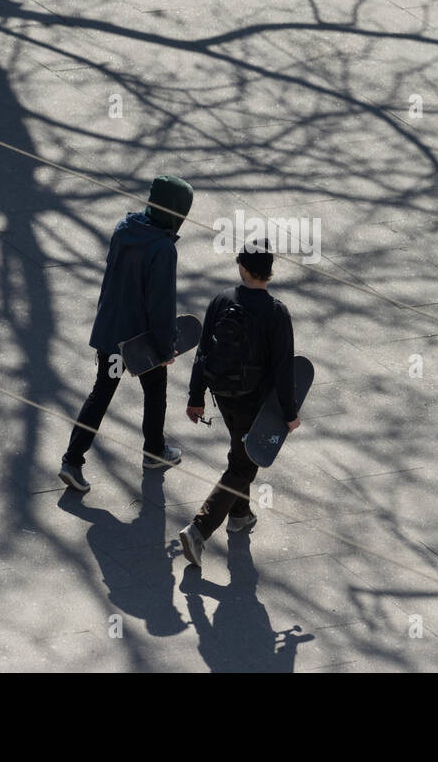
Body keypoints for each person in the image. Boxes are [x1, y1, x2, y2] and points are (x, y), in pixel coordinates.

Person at [58, 176, 193, 493]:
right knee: (156, 387)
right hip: (138, 340)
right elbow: (160, 305)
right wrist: (165, 348)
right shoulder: (162, 249)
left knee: (102, 391)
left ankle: (72, 460)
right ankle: (154, 452)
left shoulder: (125, 228)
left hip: (109, 330)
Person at [179, 240, 297, 568]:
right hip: (255, 404)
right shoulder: (276, 312)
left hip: (223, 396)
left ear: (243, 268)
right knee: (243, 466)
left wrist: (195, 397)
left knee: (239, 452)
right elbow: (284, 368)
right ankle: (199, 529)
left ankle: (240, 515)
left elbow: (203, 353)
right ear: (269, 270)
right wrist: (289, 413)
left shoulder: (221, 301)